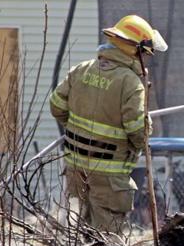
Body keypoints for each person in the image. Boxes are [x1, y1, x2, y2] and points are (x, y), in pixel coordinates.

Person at [50, 14, 167, 234]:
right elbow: (136, 131)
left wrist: (79, 130)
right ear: (134, 50)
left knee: (78, 232)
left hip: (75, 167)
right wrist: (143, 135)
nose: (146, 59)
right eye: (145, 53)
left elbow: (56, 106)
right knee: (107, 238)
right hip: (109, 177)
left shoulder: (81, 69)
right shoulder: (130, 82)